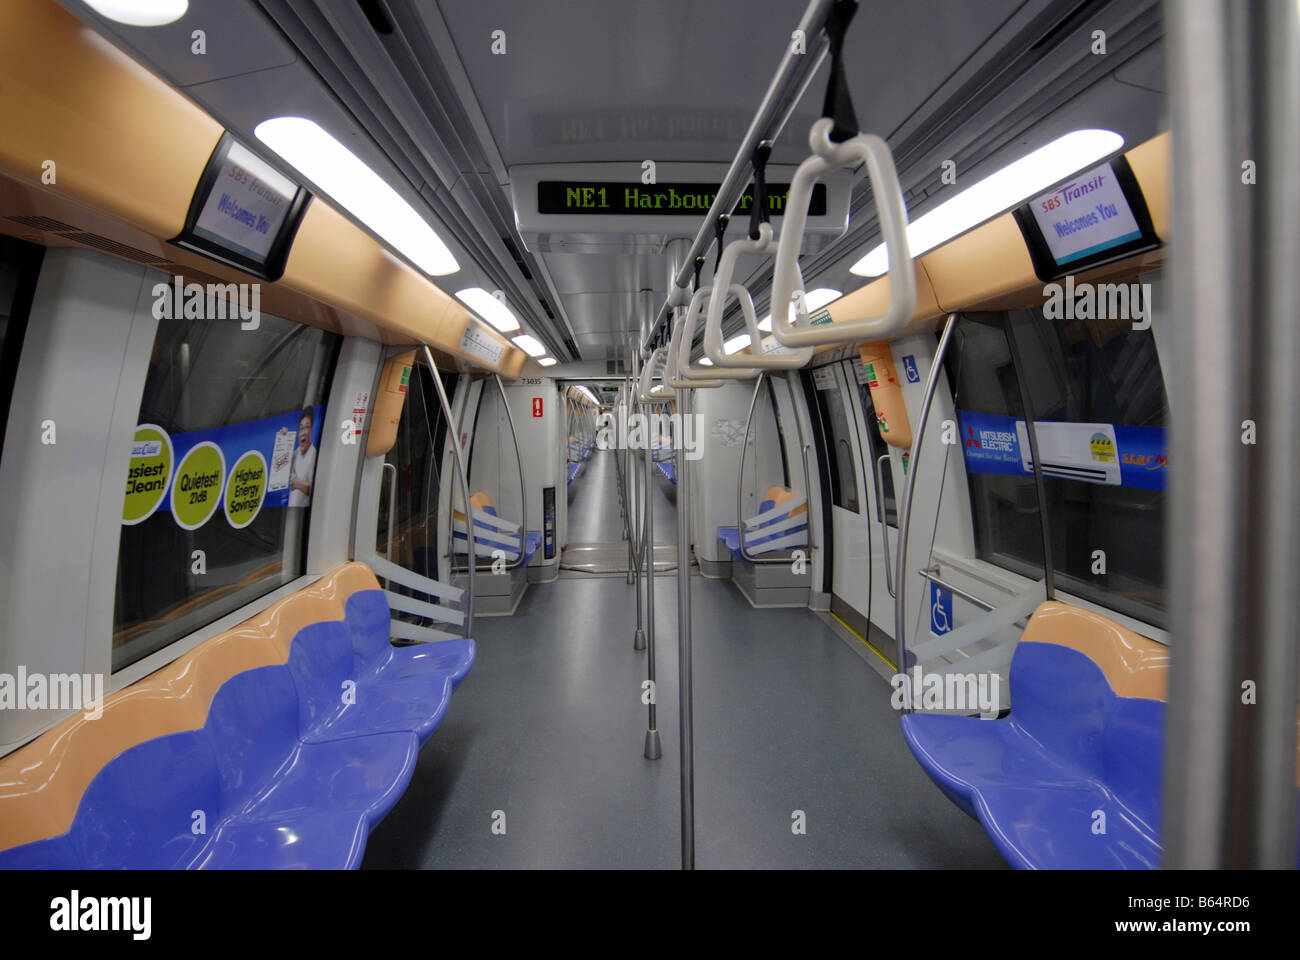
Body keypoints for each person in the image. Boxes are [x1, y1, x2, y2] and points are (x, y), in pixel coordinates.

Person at [288, 406, 317, 507]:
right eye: (301, 428)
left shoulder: (314, 456)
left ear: (312, 430)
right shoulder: (295, 454)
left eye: (307, 427)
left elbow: (314, 489)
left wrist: (297, 483)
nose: (303, 433)